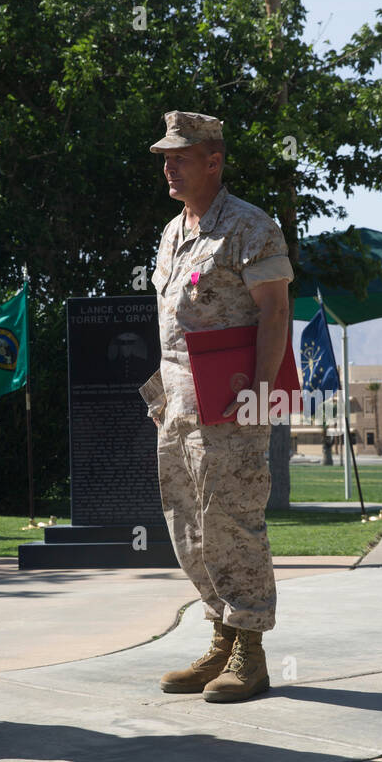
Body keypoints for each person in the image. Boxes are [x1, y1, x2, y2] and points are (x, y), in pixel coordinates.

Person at [140, 111, 292, 703]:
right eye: (165, 158)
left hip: (232, 406)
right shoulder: (172, 233)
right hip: (175, 406)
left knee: (232, 522)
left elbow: (275, 312)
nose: (170, 167)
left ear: (214, 161)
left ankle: (250, 652)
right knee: (189, 525)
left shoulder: (251, 227)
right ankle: (222, 638)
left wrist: (258, 392)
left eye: (181, 157)